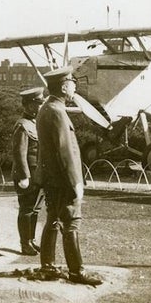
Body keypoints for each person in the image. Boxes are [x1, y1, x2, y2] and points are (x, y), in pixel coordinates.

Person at [35, 67, 101, 286]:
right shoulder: (57, 111)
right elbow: (66, 151)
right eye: (72, 82)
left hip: (51, 178)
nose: (75, 85)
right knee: (71, 222)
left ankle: (48, 266)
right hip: (63, 179)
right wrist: (76, 181)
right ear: (64, 86)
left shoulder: (47, 107)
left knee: (52, 220)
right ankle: (76, 272)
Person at [12, 87, 45, 255]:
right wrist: (24, 176)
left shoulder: (34, 123)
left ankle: (31, 240)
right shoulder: (23, 126)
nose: (41, 106)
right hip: (27, 175)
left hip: (37, 174)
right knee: (26, 209)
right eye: (39, 103)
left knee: (35, 209)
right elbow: (19, 153)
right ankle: (25, 243)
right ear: (30, 106)